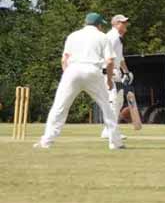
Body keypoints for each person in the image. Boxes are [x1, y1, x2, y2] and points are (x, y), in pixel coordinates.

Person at [35, 12, 125, 150]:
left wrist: (67, 76)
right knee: (107, 108)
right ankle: (115, 143)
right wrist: (108, 80)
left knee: (59, 107)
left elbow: (64, 59)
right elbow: (110, 61)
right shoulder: (102, 36)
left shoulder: (73, 35)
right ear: (99, 25)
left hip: (72, 70)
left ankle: (46, 141)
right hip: (93, 71)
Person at [101, 14, 134, 139]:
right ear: (115, 24)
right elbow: (108, 57)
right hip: (109, 71)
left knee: (118, 101)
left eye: (125, 22)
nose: (125, 25)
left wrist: (126, 72)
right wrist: (110, 73)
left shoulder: (117, 37)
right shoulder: (113, 37)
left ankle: (108, 129)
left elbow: (119, 58)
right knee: (114, 100)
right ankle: (111, 131)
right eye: (122, 22)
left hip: (114, 71)